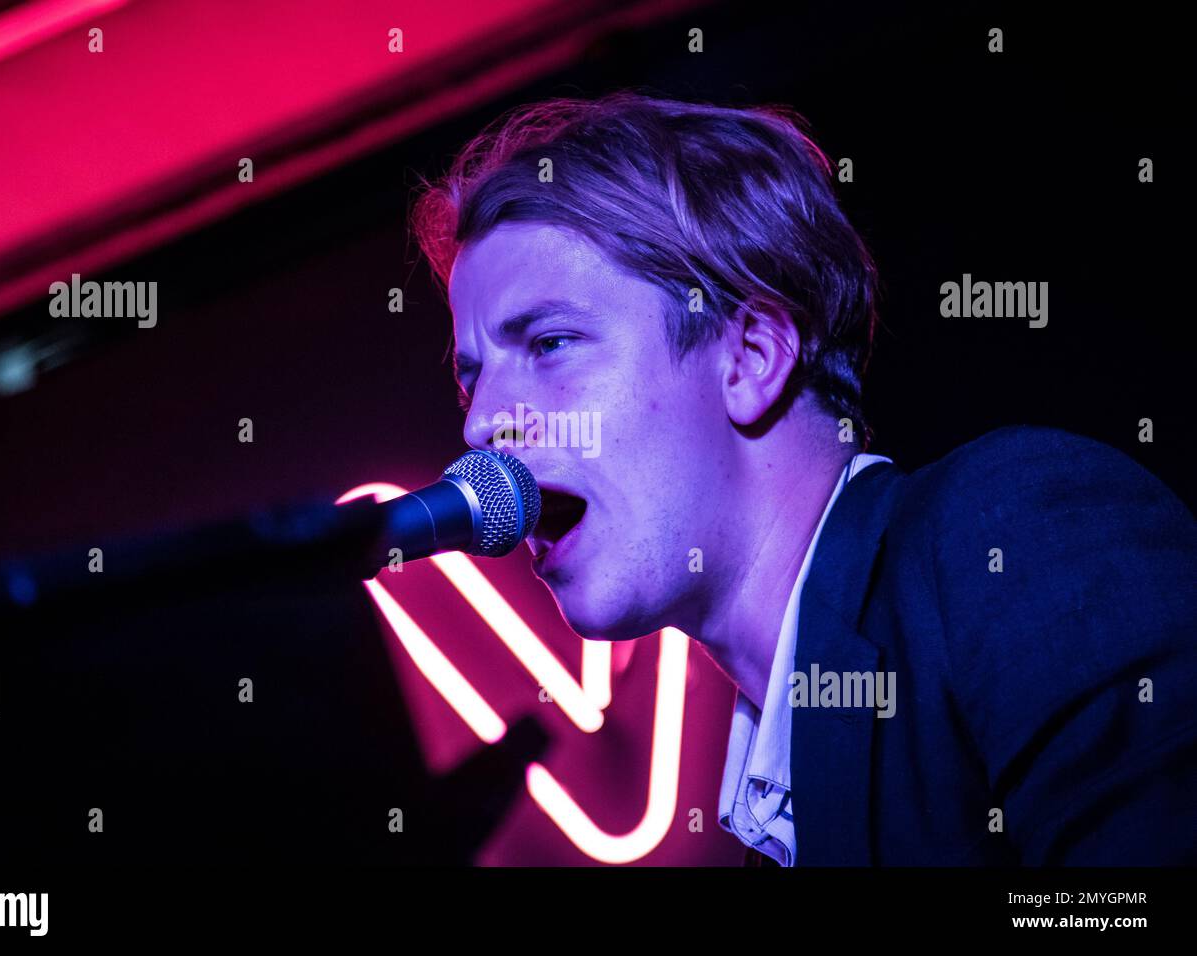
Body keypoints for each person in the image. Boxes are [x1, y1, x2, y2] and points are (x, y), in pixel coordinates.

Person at [410, 91, 1197, 865]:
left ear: (752, 357)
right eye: (471, 382)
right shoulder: (775, 810)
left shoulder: (1011, 532)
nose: (483, 426)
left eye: (549, 344)